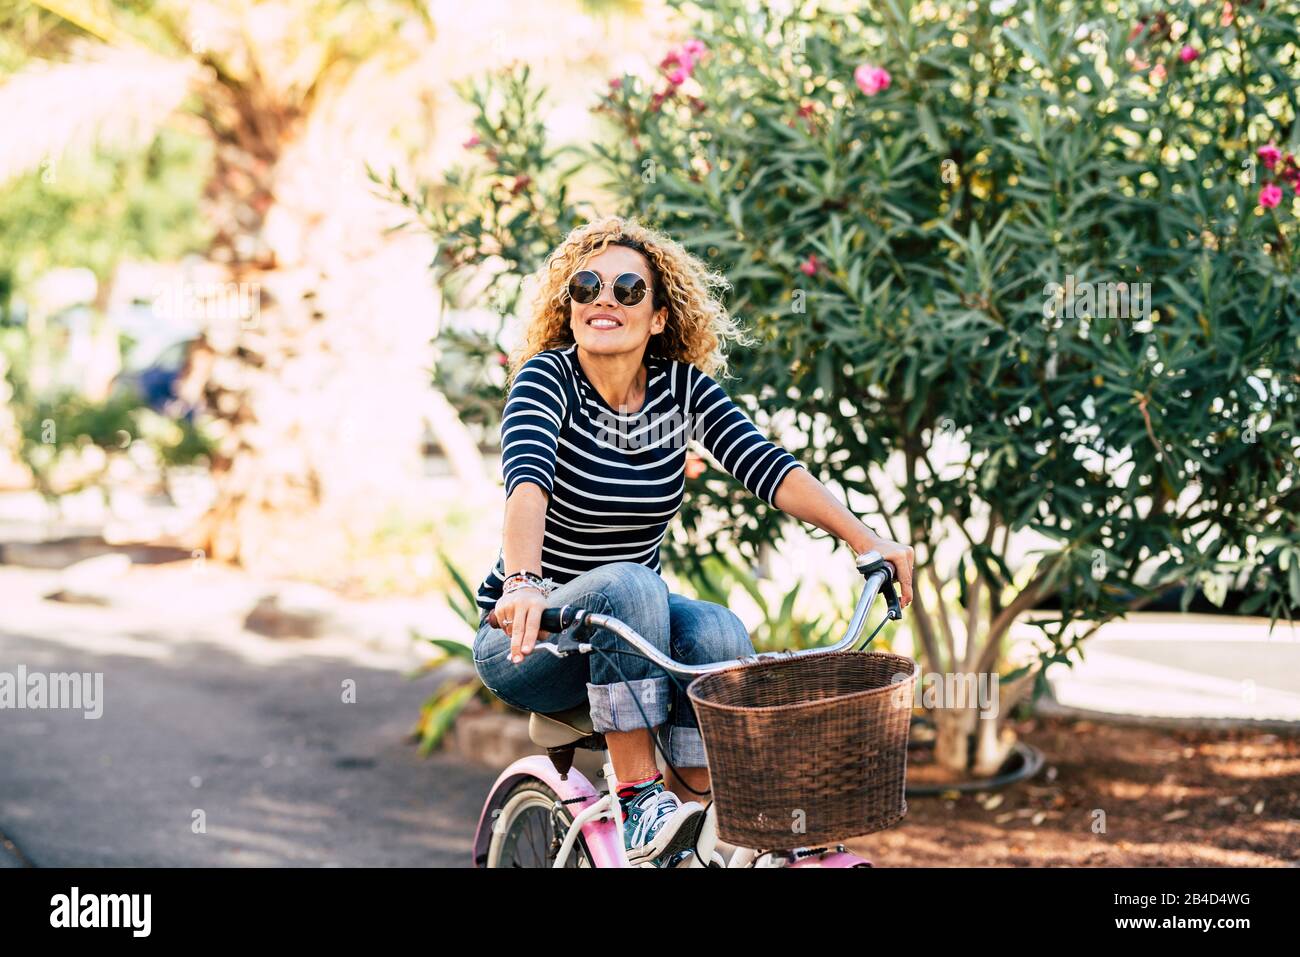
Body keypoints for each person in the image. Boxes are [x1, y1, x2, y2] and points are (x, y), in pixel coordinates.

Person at [472, 215, 915, 866]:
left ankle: (693, 828)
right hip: (530, 636)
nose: (604, 298)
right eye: (587, 285)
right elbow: (527, 482)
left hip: (629, 627)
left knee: (717, 632)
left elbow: (766, 464)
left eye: (628, 289)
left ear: (657, 317)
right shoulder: (547, 381)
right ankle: (637, 796)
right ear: (568, 309)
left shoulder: (682, 393)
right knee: (631, 582)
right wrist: (523, 581)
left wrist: (866, 538)